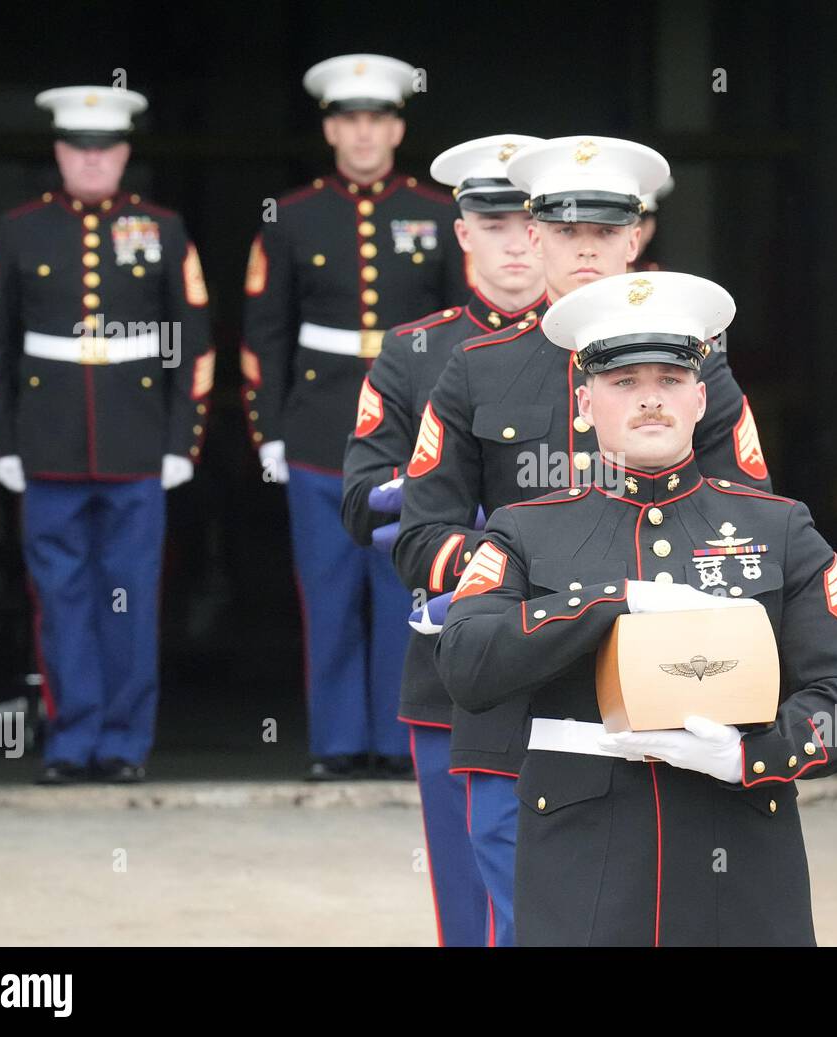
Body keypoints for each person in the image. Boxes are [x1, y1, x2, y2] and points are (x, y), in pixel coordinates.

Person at [395, 136, 773, 946]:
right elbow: (420, 536)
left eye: (607, 232)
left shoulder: (699, 370)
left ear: (637, 239)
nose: (587, 249)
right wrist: (537, 592)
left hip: (665, 701)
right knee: (531, 925)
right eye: (567, 233)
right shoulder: (474, 369)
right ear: (533, 237)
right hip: (518, 708)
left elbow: (750, 530)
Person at [435, 271, 837, 945]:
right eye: (624, 383)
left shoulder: (781, 528)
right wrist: (610, 603)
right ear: (586, 402)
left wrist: (750, 755)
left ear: (701, 398)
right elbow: (465, 662)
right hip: (584, 865)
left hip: (741, 860)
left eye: (670, 380)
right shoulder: (523, 529)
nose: (650, 399)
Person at [0, 86, 213, 784]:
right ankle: (71, 741)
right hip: (48, 447)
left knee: (130, 597)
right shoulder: (19, 230)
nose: (92, 160)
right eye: (79, 148)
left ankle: (125, 744)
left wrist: (179, 440)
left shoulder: (161, 228)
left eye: (105, 149)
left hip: (136, 448)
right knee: (62, 601)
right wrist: (0, 443)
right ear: (60, 152)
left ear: (125, 153)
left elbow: (188, 342)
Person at [340, 133, 547, 946]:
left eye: (536, 223)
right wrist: (460, 509)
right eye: (497, 224)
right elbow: (361, 500)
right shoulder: (416, 350)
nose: (519, 243)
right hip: (455, 657)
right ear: (463, 232)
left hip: (586, 646)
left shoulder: (601, 349)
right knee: (468, 901)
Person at [241, 54, 467, 781]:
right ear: (330, 129)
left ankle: (402, 739)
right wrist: (267, 429)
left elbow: (461, 330)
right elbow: (264, 332)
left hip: (414, 431)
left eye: (377, 120)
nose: (363, 134)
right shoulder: (292, 216)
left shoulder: (439, 214)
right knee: (330, 591)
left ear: (397, 127)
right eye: (349, 120)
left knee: (406, 587)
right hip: (318, 430)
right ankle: (337, 743)